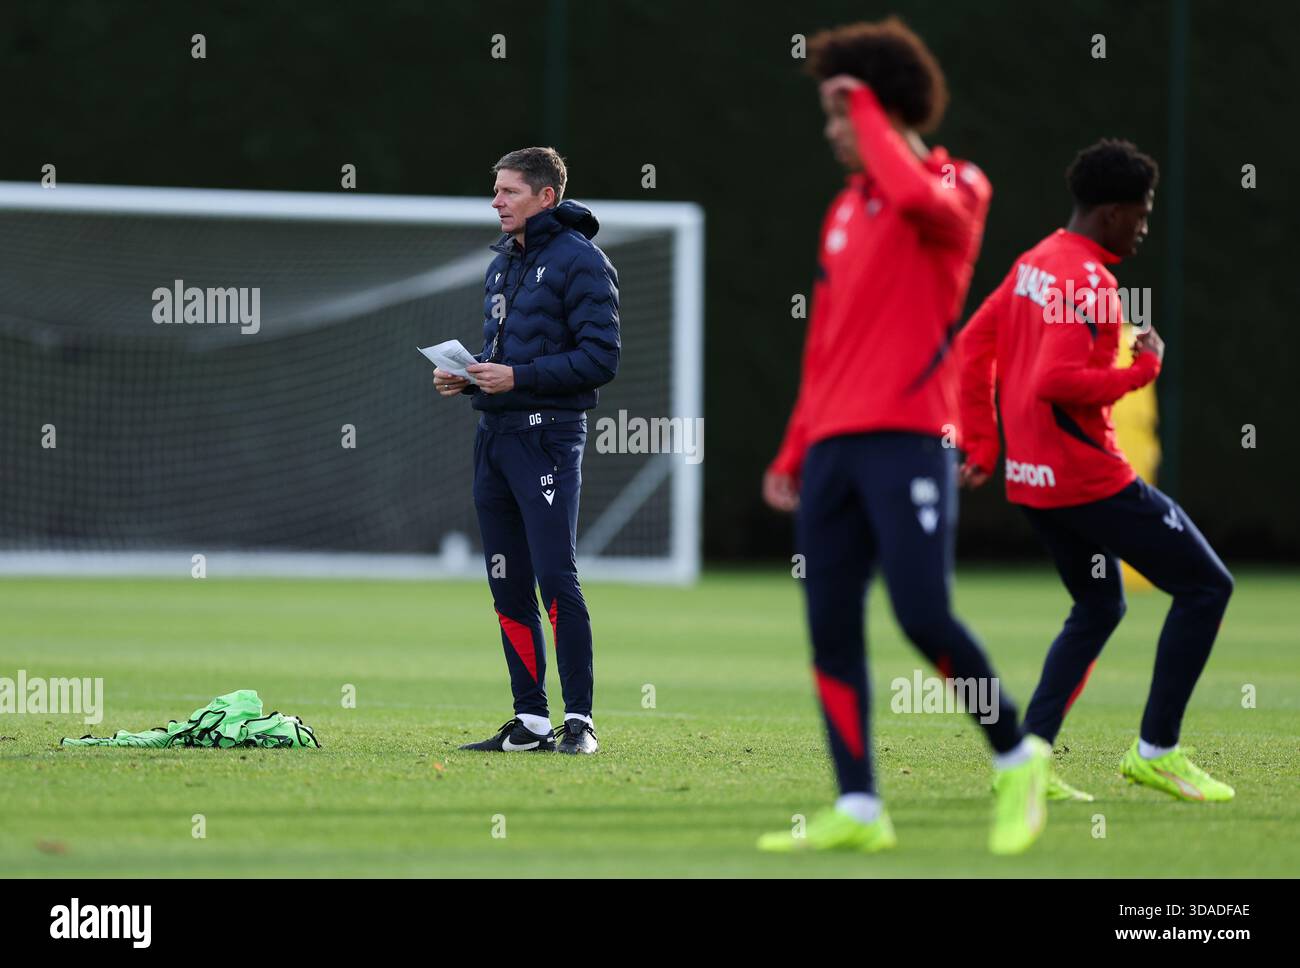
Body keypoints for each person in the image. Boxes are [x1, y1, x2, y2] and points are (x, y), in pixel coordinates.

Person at [758, 18, 1049, 856]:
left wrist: (876, 116)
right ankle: (859, 808)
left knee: (923, 614)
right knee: (830, 628)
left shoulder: (960, 181)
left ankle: (1016, 753)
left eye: (841, 113)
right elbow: (826, 342)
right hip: (834, 450)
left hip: (909, 440)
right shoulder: (845, 209)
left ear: (881, 111)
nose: (831, 131)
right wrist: (792, 448)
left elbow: (922, 195)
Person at [957, 138, 1235, 801]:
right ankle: (1156, 751)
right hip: (1088, 482)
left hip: (1034, 482)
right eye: (1141, 213)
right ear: (1111, 212)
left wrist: (984, 446)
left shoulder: (1035, 262)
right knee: (1206, 587)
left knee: (1098, 606)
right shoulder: (1087, 280)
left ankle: (1028, 757)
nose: (1144, 224)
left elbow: (972, 345)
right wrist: (1143, 367)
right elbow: (1057, 380)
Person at [435, 146, 620, 755]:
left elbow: (601, 359)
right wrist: (467, 377)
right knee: (505, 581)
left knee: (554, 577)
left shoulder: (582, 262)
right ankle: (530, 721)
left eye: (509, 191)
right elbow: (507, 356)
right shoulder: (501, 264)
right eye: (496, 191)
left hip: (547, 438)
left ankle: (580, 722)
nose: (496, 201)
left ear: (546, 197)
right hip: (493, 438)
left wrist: (520, 377)